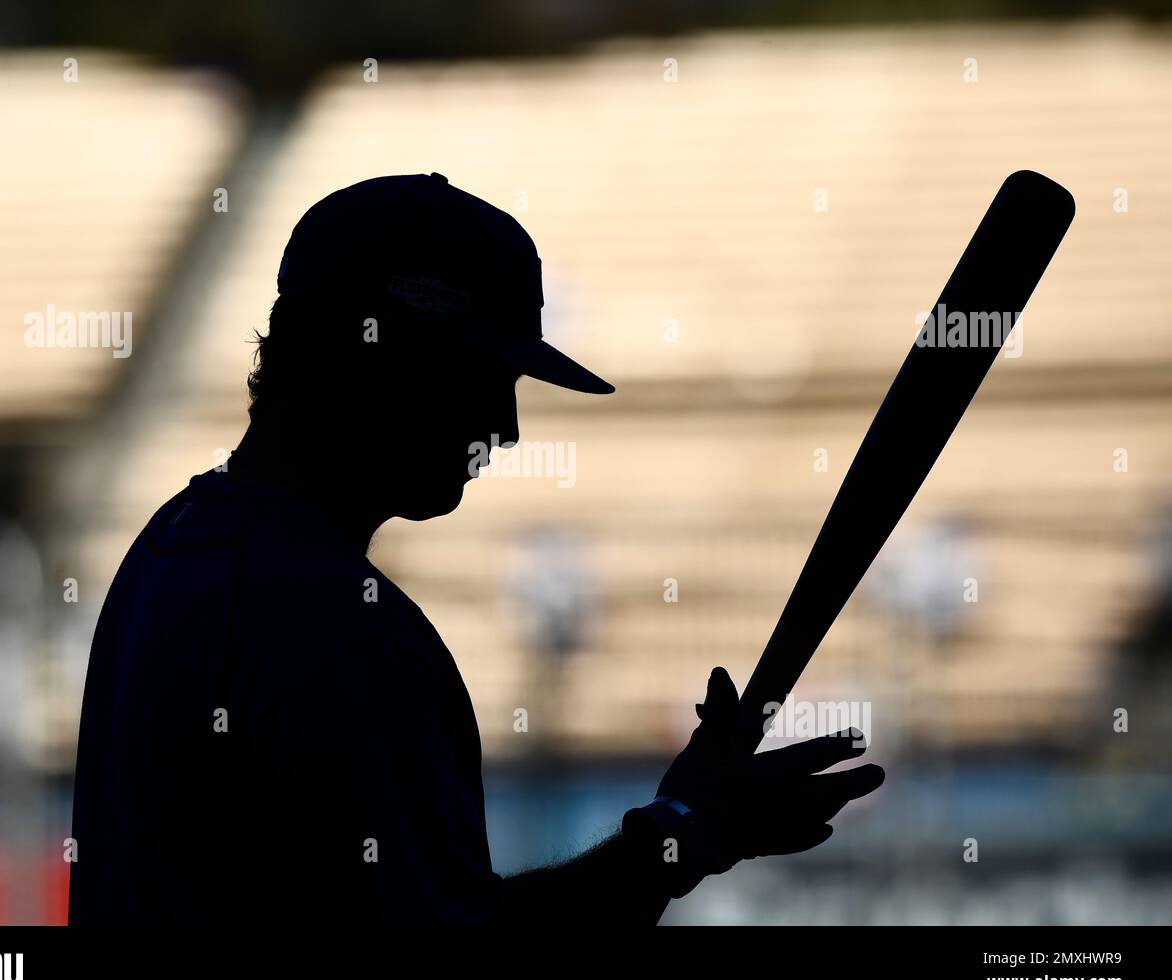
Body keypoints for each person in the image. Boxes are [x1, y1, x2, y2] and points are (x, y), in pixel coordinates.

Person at [68, 173, 884, 925]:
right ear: (378, 357)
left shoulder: (164, 554)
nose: (508, 426)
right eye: (485, 377)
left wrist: (679, 834)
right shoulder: (342, 628)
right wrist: (677, 839)